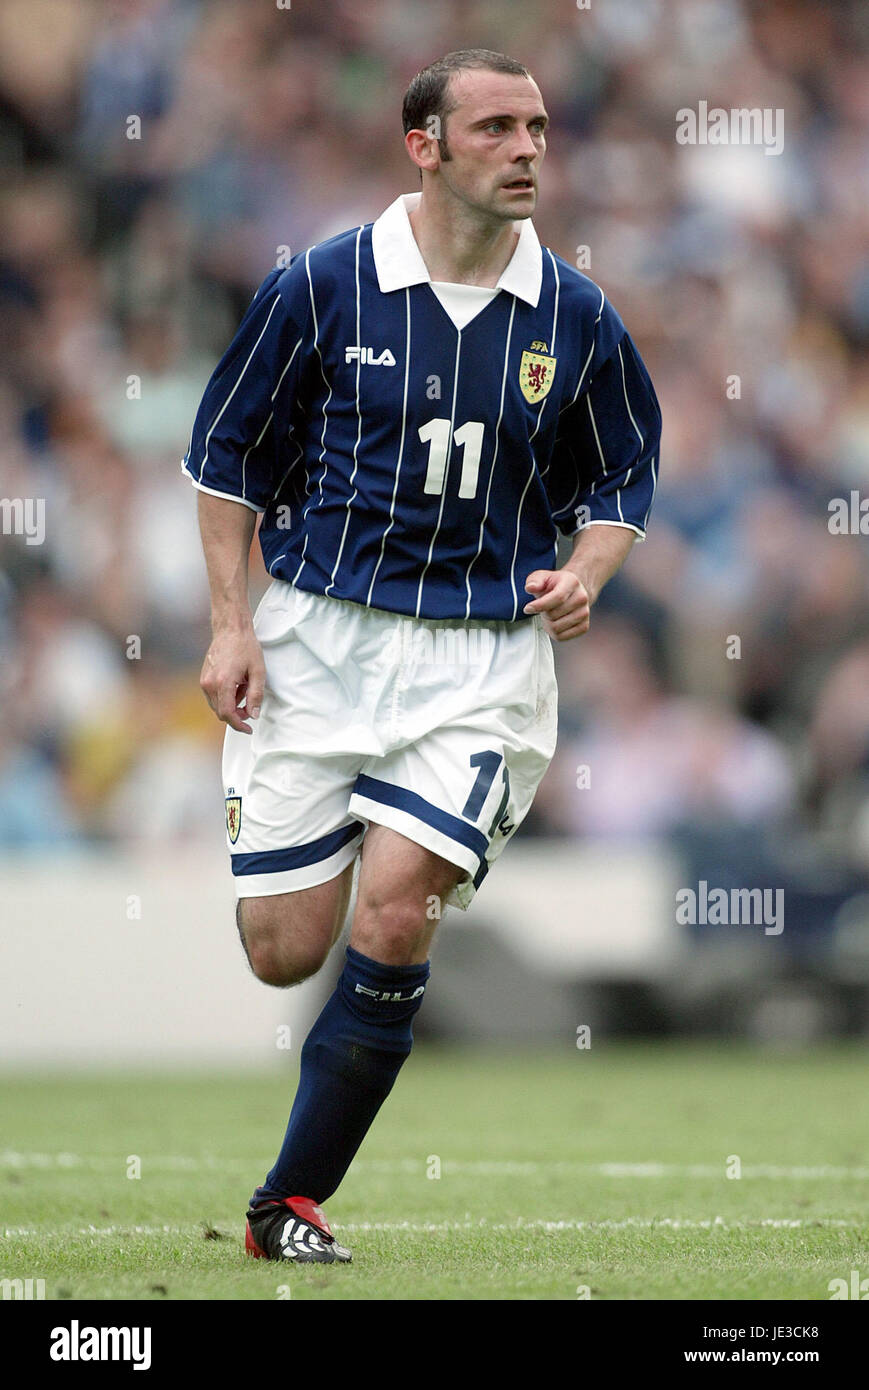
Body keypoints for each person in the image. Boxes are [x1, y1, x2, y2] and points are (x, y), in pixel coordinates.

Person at [182, 49, 661, 1264]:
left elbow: (620, 479)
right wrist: (231, 623)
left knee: (395, 914)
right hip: (316, 644)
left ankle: (285, 1204)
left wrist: (586, 576)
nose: (526, 149)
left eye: (538, 127)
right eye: (495, 127)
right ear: (424, 145)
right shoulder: (325, 286)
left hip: (480, 664)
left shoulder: (576, 314)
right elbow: (228, 463)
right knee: (282, 948)